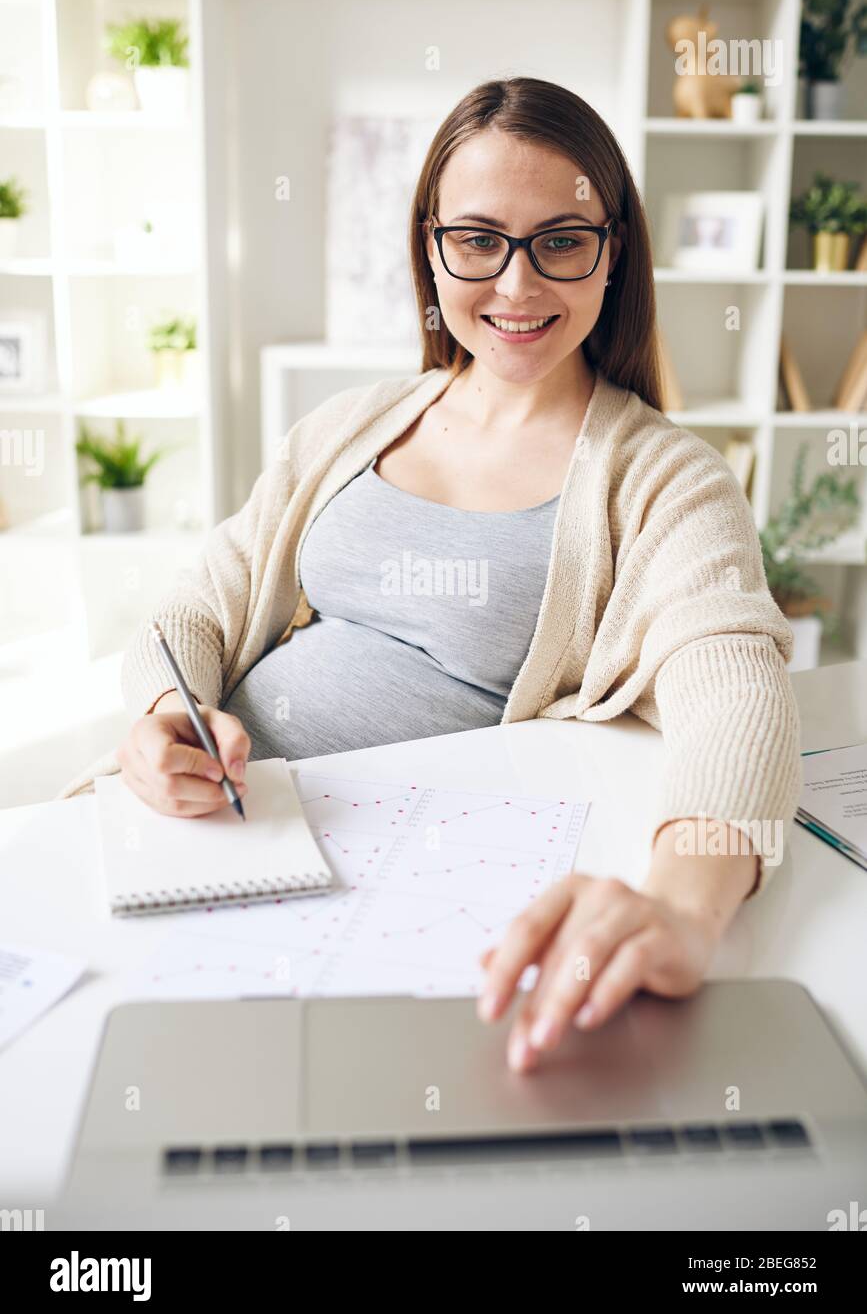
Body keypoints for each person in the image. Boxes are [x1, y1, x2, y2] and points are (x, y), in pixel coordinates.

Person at [67, 77, 801, 1073]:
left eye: (561, 239)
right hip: (193, 830)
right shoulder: (351, 423)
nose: (516, 284)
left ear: (612, 251)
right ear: (429, 243)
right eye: (478, 238)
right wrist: (171, 713)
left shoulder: (664, 479)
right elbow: (198, 602)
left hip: (376, 897)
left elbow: (736, 695)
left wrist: (680, 903)